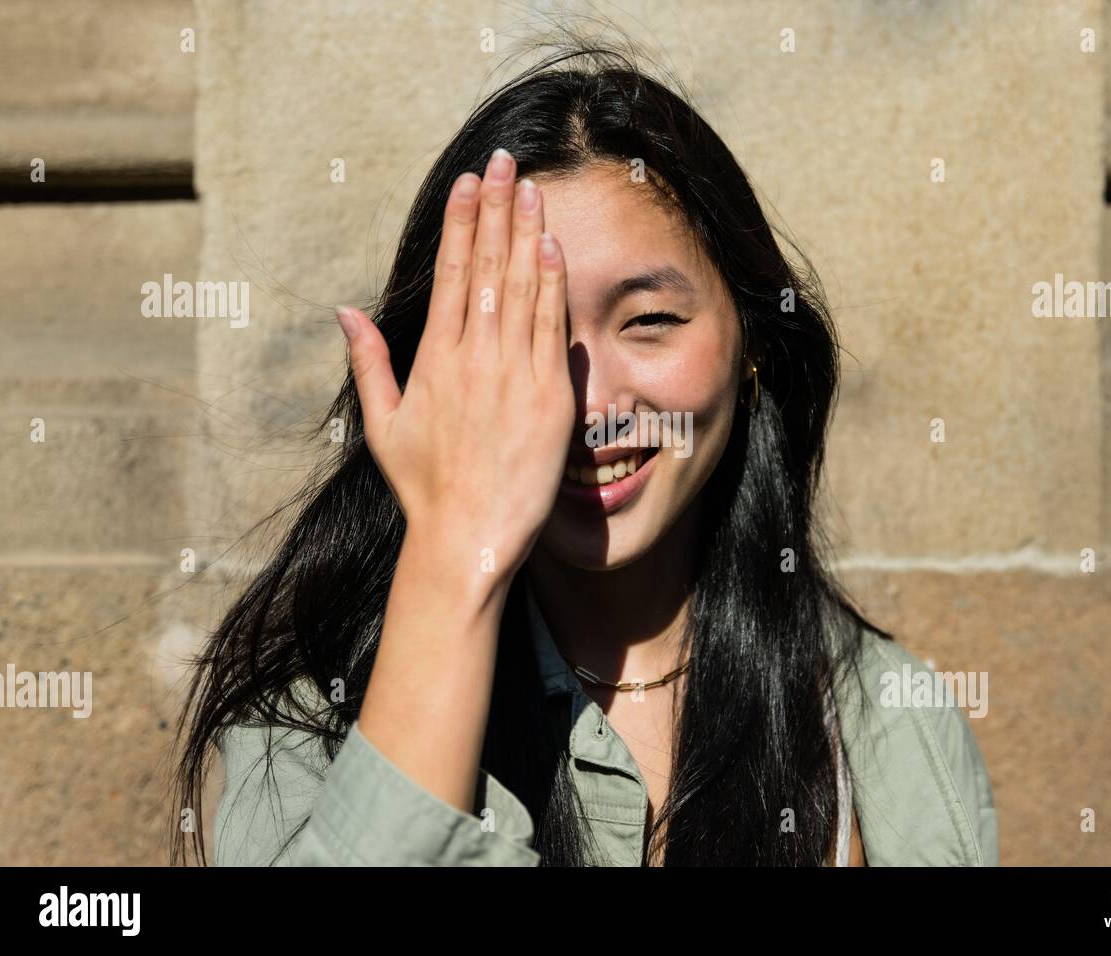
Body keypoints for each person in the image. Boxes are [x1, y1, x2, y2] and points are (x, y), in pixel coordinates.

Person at [170, 39, 998, 867]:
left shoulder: (884, 718)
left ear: (754, 347)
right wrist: (457, 550)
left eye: (649, 321)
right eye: (524, 333)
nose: (591, 404)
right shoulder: (316, 719)